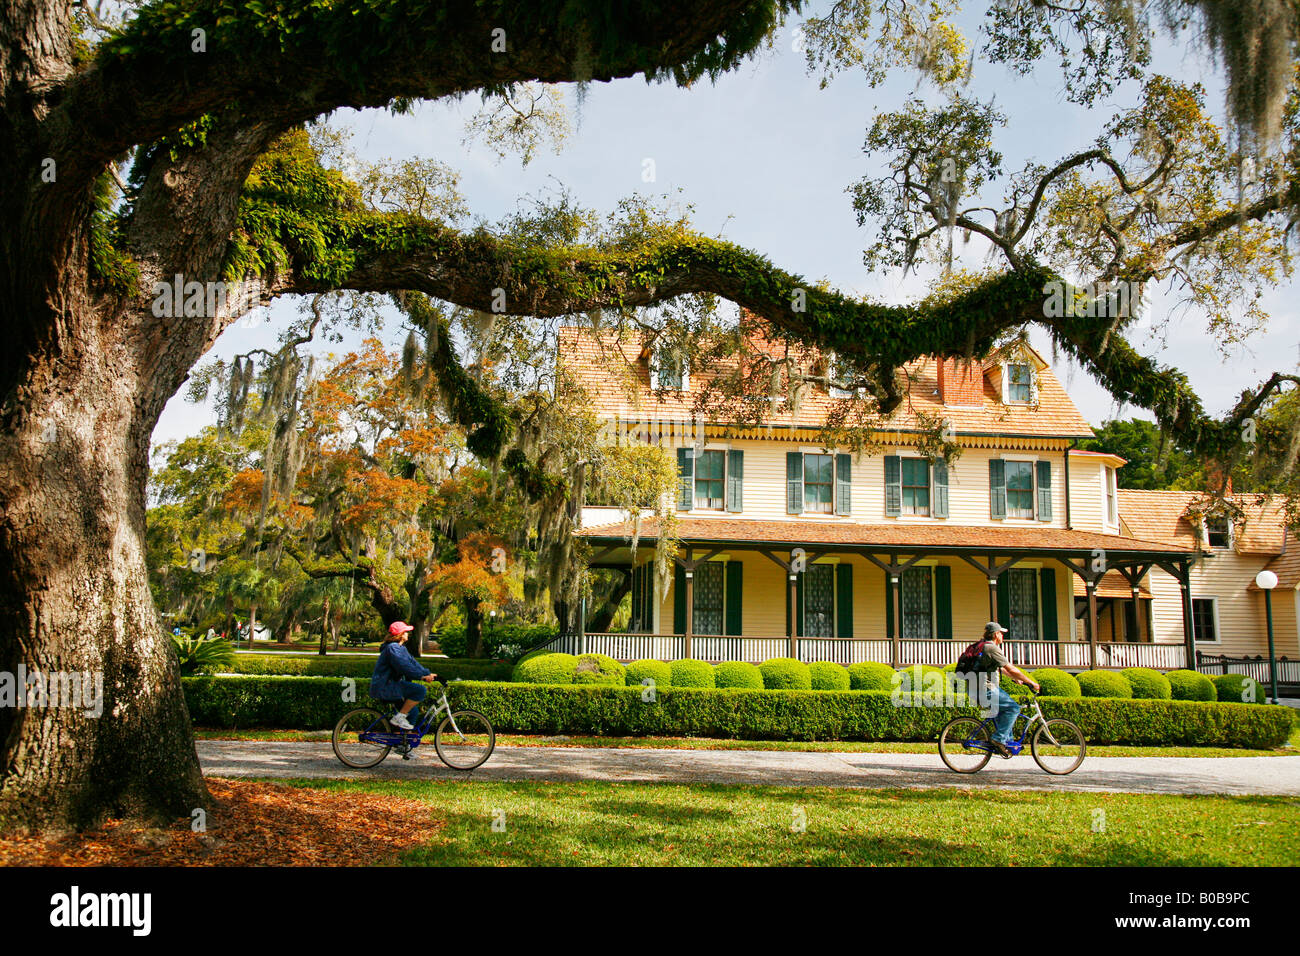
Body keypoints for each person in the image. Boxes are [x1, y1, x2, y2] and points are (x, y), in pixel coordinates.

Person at [976, 622, 1040, 758]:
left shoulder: (984, 646)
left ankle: (1006, 744)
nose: (1003, 635)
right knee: (1014, 709)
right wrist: (1031, 682)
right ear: (995, 634)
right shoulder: (992, 648)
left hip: (981, 688)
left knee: (1004, 711)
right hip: (987, 689)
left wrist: (1017, 678)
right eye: (1001, 633)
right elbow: (1010, 668)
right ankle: (999, 739)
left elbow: (1004, 669)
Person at [370, 621, 439, 730]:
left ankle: (403, 742)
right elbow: (404, 667)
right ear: (401, 634)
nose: (408, 633)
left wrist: (427, 673)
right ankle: (399, 718)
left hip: (391, 685)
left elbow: (413, 663)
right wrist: (421, 677)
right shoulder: (393, 648)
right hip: (386, 686)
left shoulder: (400, 648)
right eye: (406, 631)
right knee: (420, 690)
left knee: (413, 712)